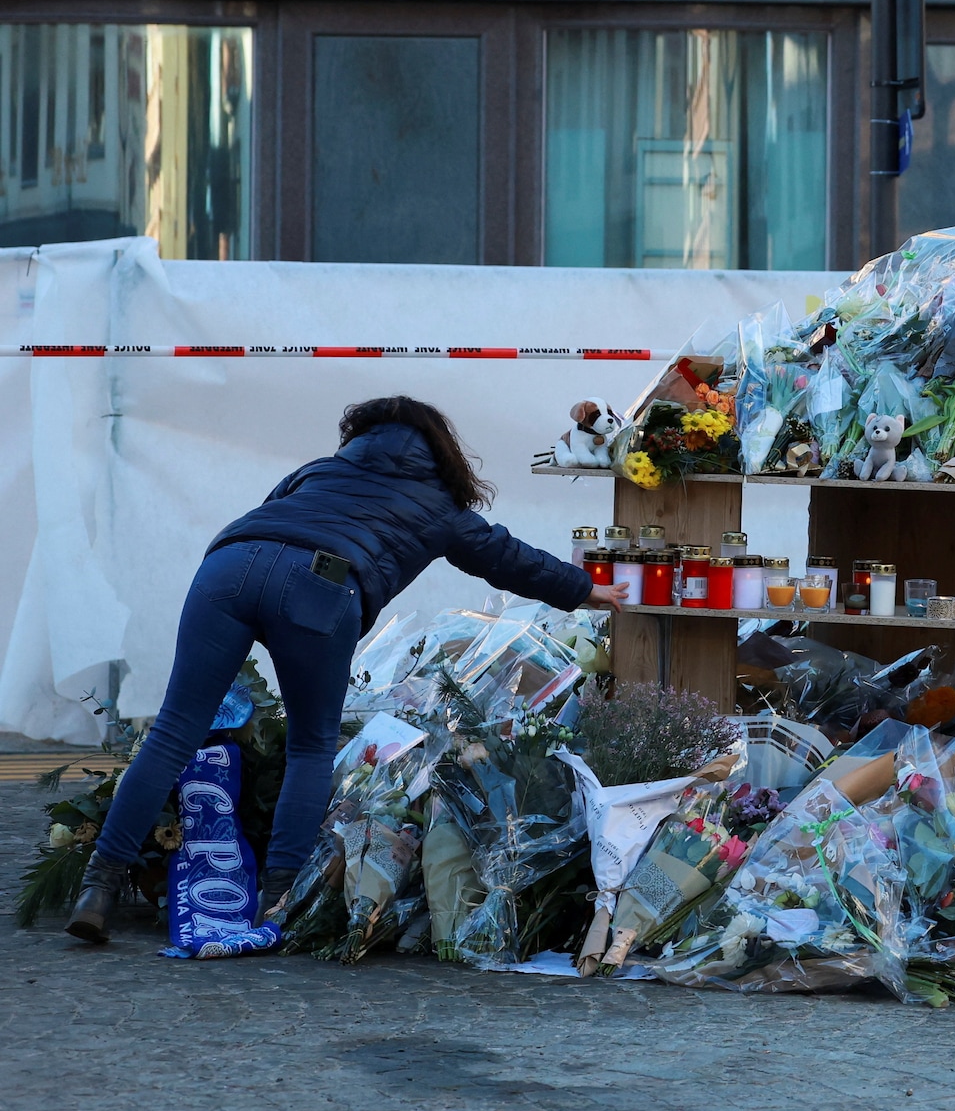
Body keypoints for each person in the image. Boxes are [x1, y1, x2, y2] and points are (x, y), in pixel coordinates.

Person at [66, 396, 622, 943]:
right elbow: (505, 556)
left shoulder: (318, 471)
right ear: (439, 452)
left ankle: (98, 888)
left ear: (360, 436)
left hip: (228, 567)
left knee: (171, 734)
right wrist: (585, 589)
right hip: (322, 586)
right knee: (311, 745)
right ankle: (279, 899)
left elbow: (276, 521)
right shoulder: (437, 506)